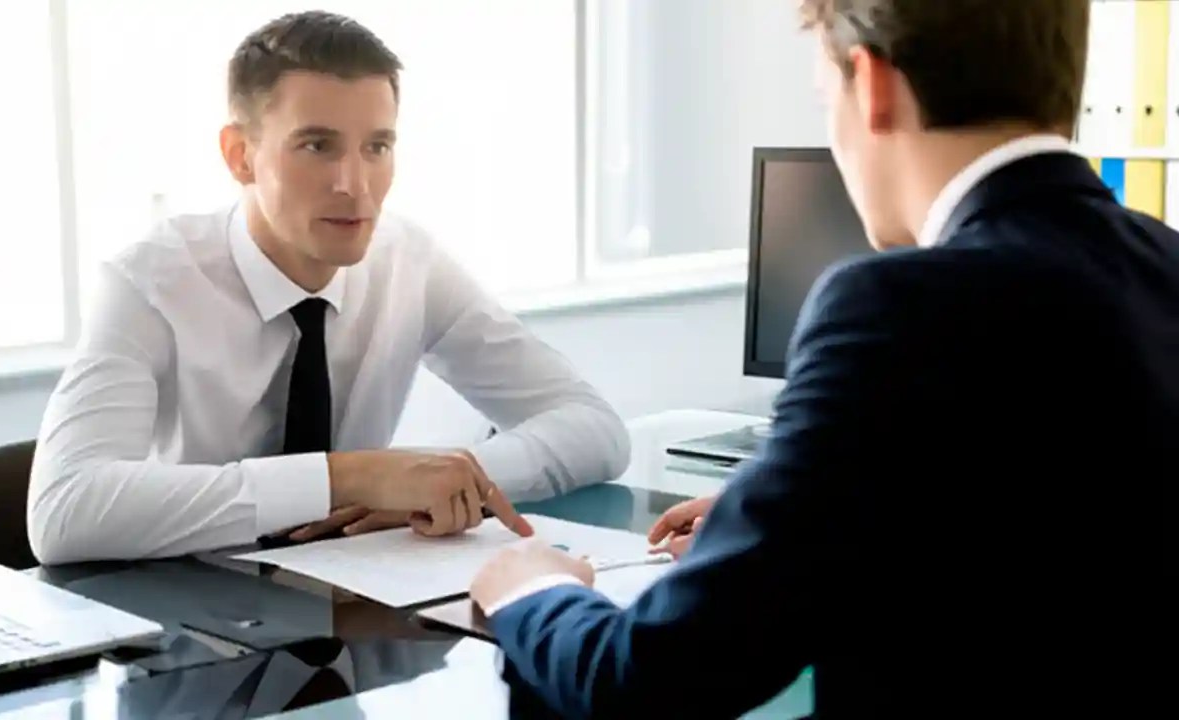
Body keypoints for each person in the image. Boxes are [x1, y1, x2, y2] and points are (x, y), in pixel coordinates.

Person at [470, 1, 1177, 717]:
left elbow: (650, 679)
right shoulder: (1164, 262)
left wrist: (533, 590)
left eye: (820, 100)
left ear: (870, 84)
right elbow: (1060, 516)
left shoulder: (892, 304)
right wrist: (800, 504)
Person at [26, 11, 630, 565]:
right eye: (317, 146)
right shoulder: (149, 282)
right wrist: (348, 478)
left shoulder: (410, 263)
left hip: (354, 608)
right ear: (241, 155)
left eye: (377, 147)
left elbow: (595, 429)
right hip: (185, 625)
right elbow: (64, 510)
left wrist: (441, 478)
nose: (354, 185)